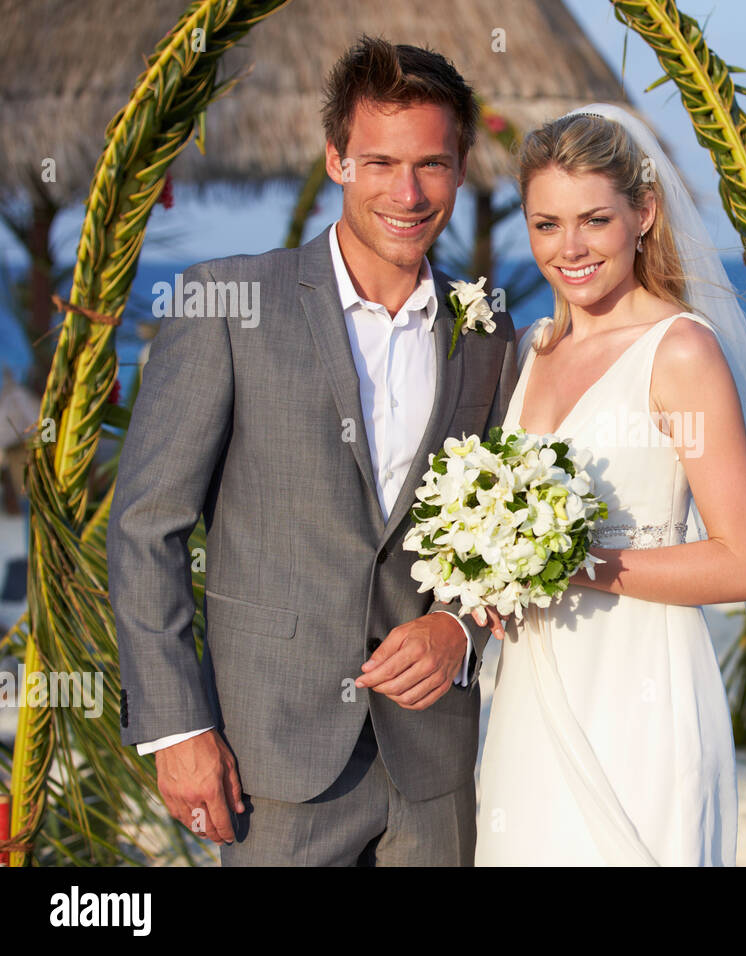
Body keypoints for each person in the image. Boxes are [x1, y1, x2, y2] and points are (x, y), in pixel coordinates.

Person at [108, 36, 512, 866]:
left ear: (462, 169)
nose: (407, 192)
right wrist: (179, 728)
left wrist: (461, 630)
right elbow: (147, 525)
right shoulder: (229, 303)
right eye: (379, 162)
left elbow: (505, 533)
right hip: (272, 765)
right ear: (336, 159)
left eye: (432, 164)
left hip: (436, 765)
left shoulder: (490, 334)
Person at [474, 104, 746, 865]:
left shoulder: (679, 352)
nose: (568, 249)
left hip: (640, 690)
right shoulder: (537, 348)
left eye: (593, 220)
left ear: (644, 212)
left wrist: (574, 563)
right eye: (545, 225)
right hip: (529, 693)